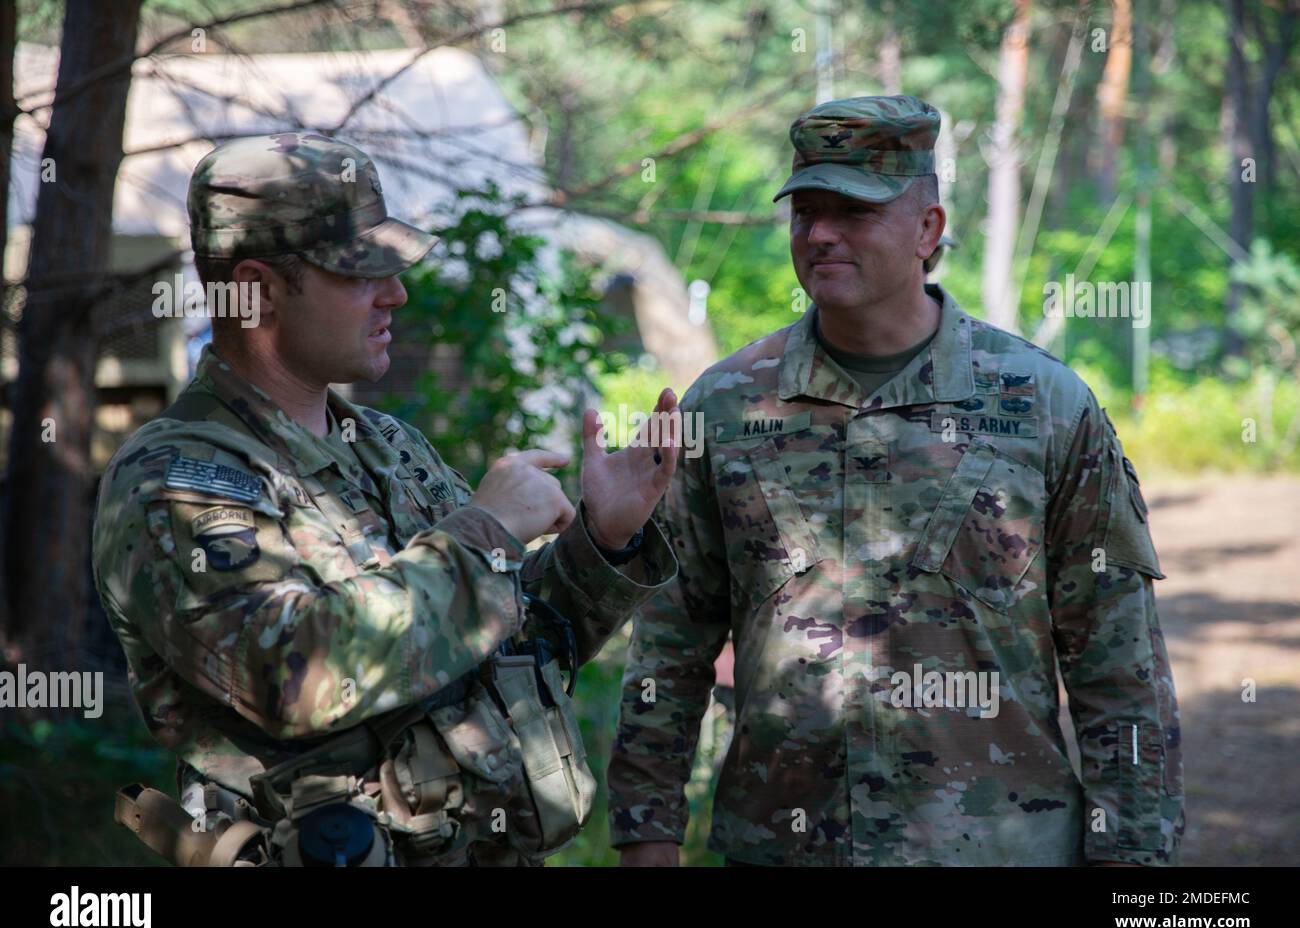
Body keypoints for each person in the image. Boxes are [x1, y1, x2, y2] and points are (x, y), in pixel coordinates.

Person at [608, 95, 1184, 867]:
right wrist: (647, 834)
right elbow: (671, 642)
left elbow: (1118, 668)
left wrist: (1137, 866)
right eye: (804, 211)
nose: (818, 234)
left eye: (852, 211)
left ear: (928, 230)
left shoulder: (1042, 404)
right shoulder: (727, 404)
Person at [92, 132, 680, 866]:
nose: (396, 293)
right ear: (260, 288)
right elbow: (291, 676)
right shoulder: (177, 476)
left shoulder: (388, 444)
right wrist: (482, 532)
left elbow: (500, 643)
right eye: (360, 272)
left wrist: (599, 544)